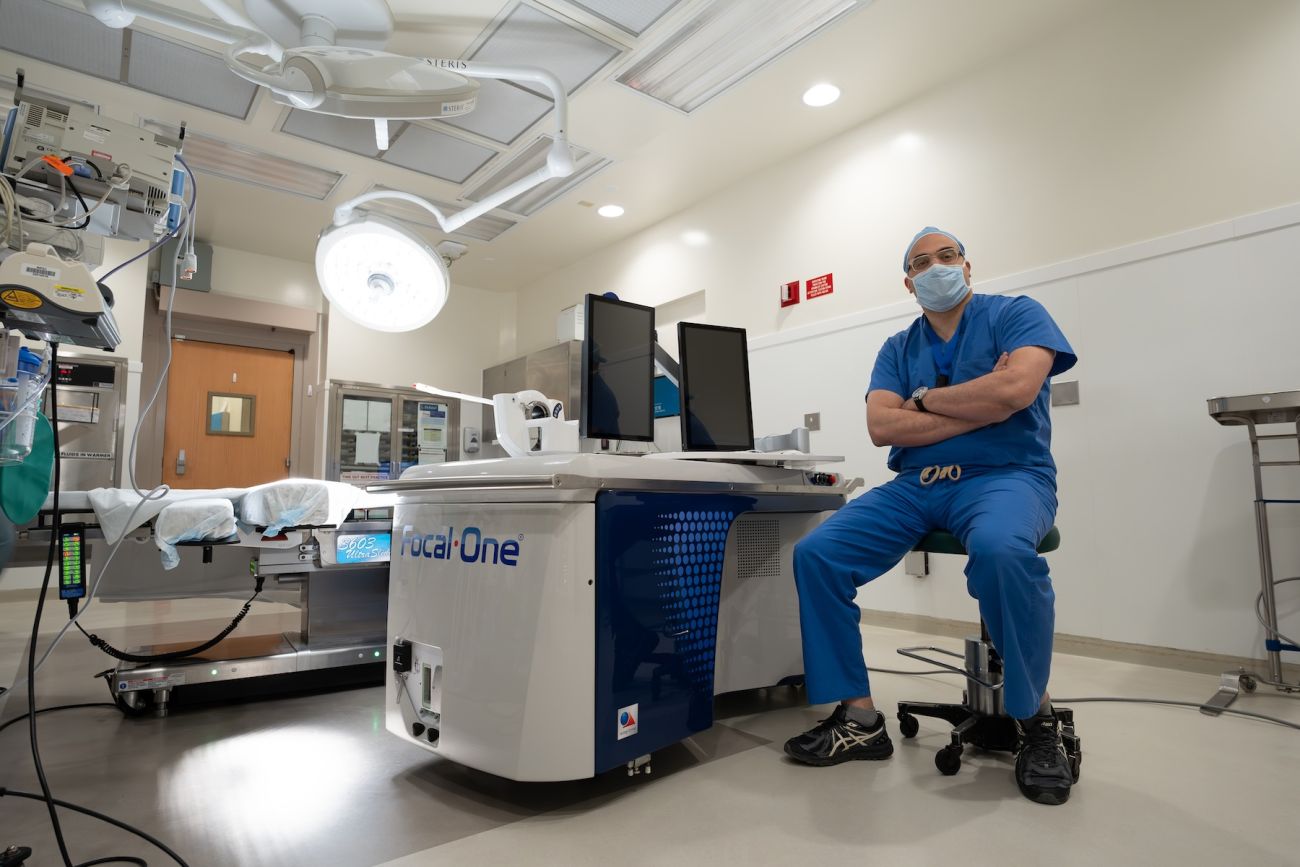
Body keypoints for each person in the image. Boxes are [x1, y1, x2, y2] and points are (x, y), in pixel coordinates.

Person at [782, 227, 1078, 806]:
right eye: (921, 262)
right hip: (916, 485)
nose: (935, 266)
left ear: (967, 266)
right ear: (908, 282)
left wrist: (922, 400)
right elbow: (881, 427)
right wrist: (983, 401)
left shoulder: (1018, 314)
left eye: (947, 256)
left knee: (1001, 550)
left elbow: (1017, 390)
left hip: (1008, 477)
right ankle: (860, 721)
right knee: (817, 554)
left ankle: (1037, 721)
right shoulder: (897, 348)